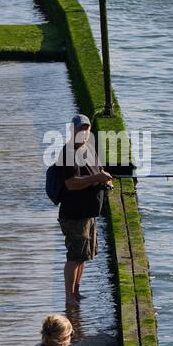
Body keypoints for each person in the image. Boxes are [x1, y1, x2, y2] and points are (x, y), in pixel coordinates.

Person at [56, 114, 113, 304]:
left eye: (87, 129)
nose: (85, 132)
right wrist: (97, 179)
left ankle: (76, 292)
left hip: (89, 213)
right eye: (81, 129)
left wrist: (106, 180)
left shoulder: (88, 150)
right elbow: (71, 183)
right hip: (74, 214)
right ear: (72, 131)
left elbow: (99, 172)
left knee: (83, 256)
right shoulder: (68, 153)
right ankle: (69, 297)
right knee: (74, 256)